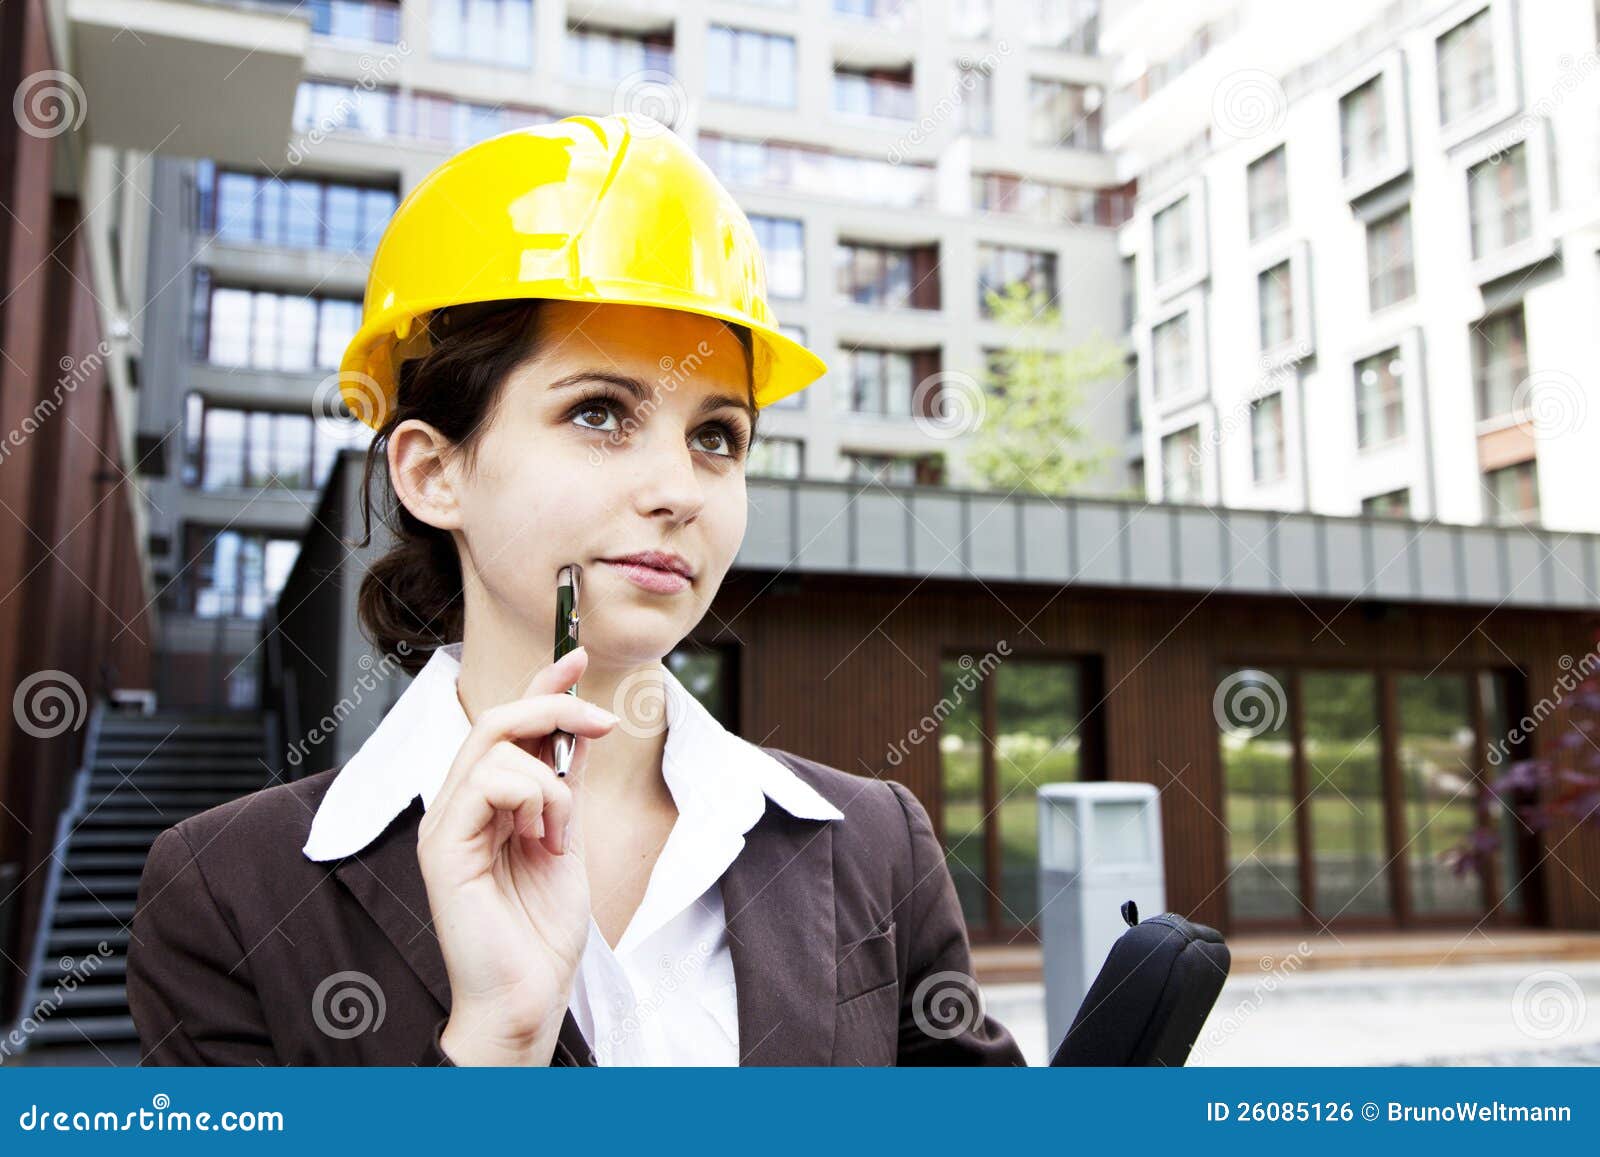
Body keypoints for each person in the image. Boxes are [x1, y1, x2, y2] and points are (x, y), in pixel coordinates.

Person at [125, 114, 1024, 1067]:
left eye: (716, 435)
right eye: (600, 412)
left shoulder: (876, 848)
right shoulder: (231, 894)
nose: (678, 489)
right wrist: (494, 1045)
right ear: (434, 473)